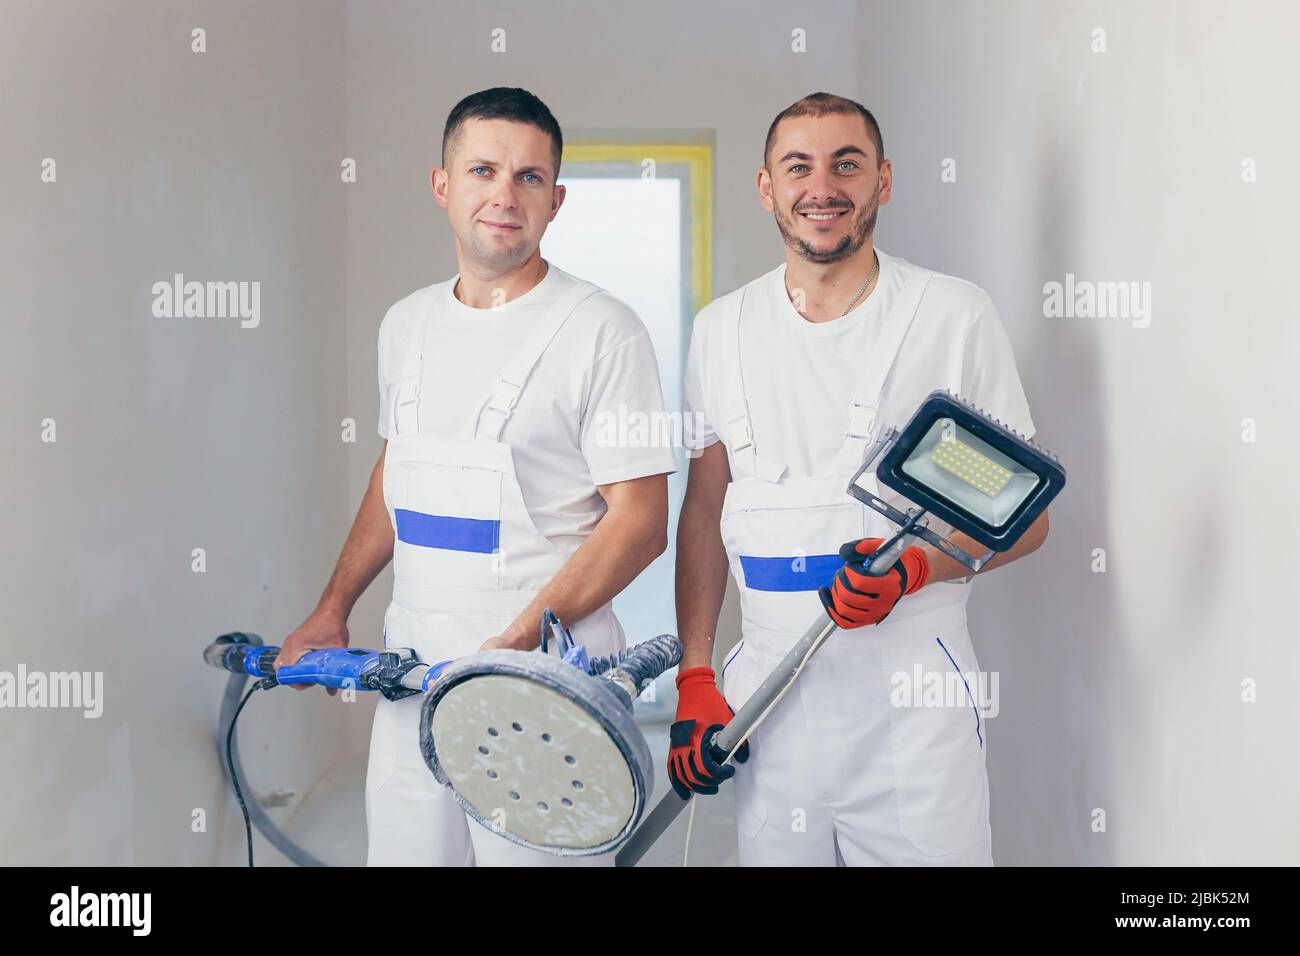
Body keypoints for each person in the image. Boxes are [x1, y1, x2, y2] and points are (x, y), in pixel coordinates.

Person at [279, 87, 676, 866]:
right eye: (484, 170)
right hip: (413, 683)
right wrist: (333, 608)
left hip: (542, 688)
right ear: (443, 185)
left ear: (556, 201)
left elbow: (642, 521)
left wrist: (514, 646)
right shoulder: (408, 324)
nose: (505, 194)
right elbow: (398, 475)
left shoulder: (601, 330)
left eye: (530, 177)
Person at [669, 92, 1050, 866]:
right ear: (765, 186)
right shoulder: (720, 333)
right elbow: (704, 510)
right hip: (769, 702)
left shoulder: (950, 318)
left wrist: (915, 567)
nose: (823, 187)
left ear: (883, 180)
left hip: (912, 704)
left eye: (847, 165)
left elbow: (1025, 519)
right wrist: (696, 672)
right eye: (798, 166)